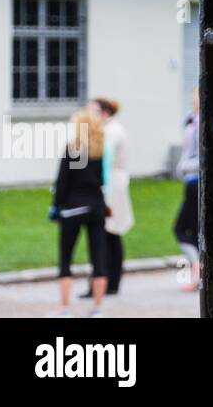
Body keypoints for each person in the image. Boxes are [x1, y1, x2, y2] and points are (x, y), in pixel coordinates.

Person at [51, 106, 109, 316]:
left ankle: (65, 307)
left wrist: (55, 208)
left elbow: (62, 183)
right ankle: (98, 307)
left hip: (73, 208)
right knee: (98, 257)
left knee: (66, 256)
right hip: (96, 206)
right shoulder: (100, 151)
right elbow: (103, 180)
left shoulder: (71, 150)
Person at [82, 98, 132, 297]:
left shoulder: (110, 132)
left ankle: (105, 282)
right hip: (113, 184)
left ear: (104, 113)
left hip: (110, 186)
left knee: (105, 235)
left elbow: (103, 159)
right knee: (110, 235)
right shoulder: (111, 130)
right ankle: (110, 282)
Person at [174, 89, 201, 290]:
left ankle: (197, 269)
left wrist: (183, 167)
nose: (192, 100)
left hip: (196, 180)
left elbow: (203, 156)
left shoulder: (200, 122)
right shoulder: (192, 120)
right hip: (190, 180)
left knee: (181, 228)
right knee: (193, 230)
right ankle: (198, 271)